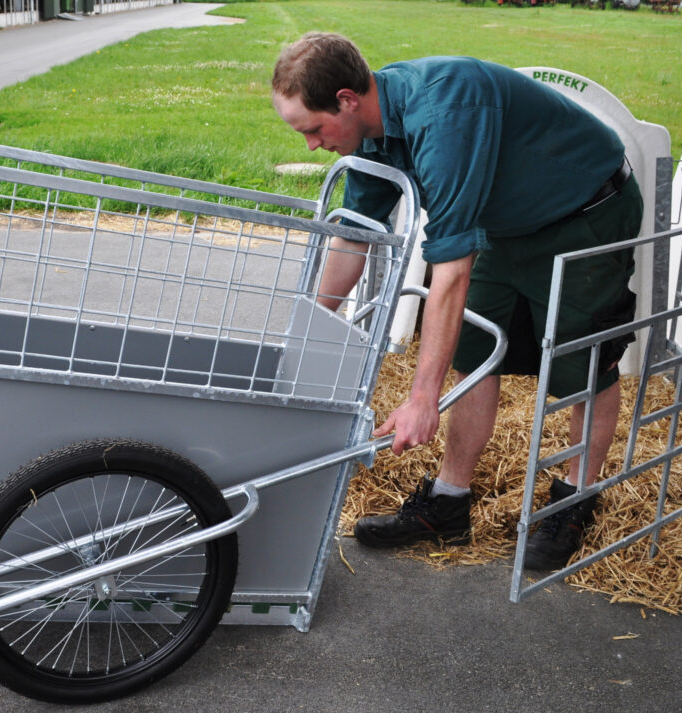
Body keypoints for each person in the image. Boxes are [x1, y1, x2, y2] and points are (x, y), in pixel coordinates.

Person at [271, 33, 643, 570]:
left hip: (584, 214)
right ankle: (448, 503)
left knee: (579, 364)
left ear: (347, 99)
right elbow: (354, 237)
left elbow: (450, 270)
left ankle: (575, 497)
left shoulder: (442, 115)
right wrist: (299, 333)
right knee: (472, 351)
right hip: (506, 224)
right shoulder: (373, 132)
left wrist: (422, 398)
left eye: (312, 128)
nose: (310, 145)